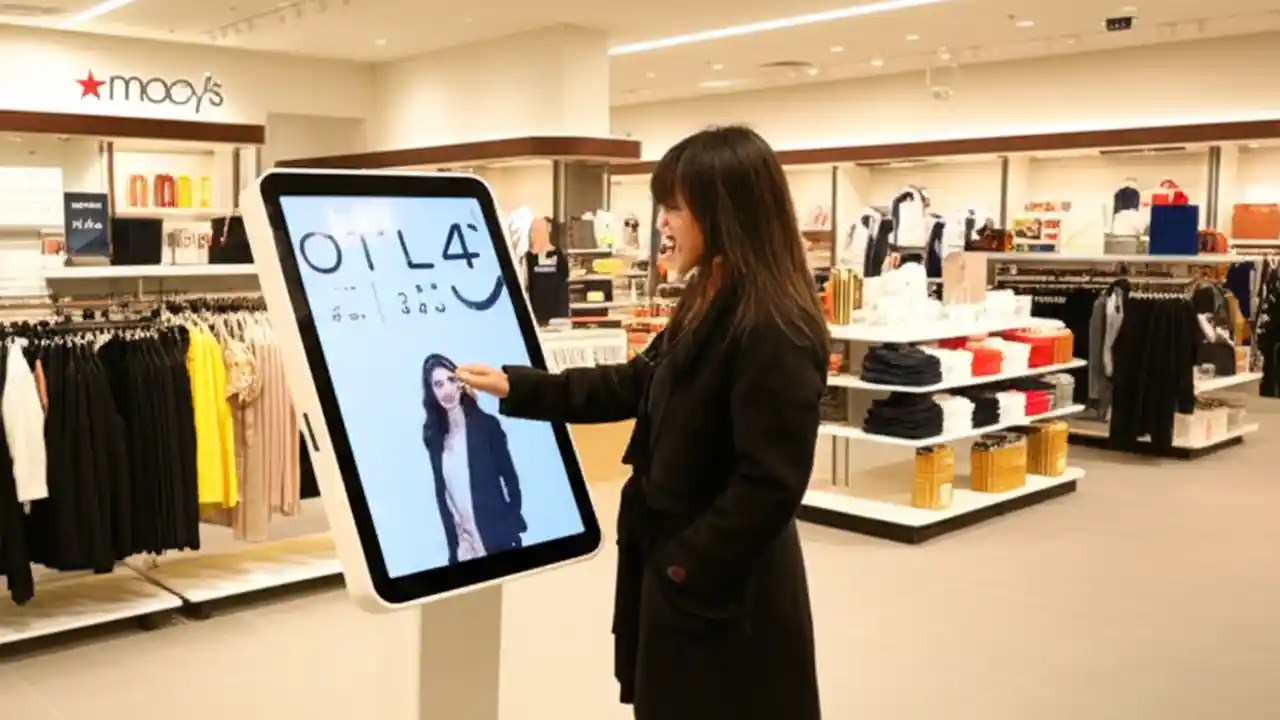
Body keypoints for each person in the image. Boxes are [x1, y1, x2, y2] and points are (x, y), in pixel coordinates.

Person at [459, 126, 828, 720]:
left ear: (725, 210)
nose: (662, 221)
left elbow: (771, 483)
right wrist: (518, 386)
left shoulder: (772, 327)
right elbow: (632, 384)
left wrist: (684, 567)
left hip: (725, 592)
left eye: (676, 206)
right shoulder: (707, 298)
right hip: (681, 573)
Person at [421, 353, 526, 565]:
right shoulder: (433, 436)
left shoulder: (486, 426)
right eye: (438, 384)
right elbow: (443, 494)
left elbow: (510, 479)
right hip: (463, 546)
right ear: (431, 391)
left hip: (496, 539)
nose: (447, 390)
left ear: (461, 383)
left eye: (451, 380)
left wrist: (511, 524)